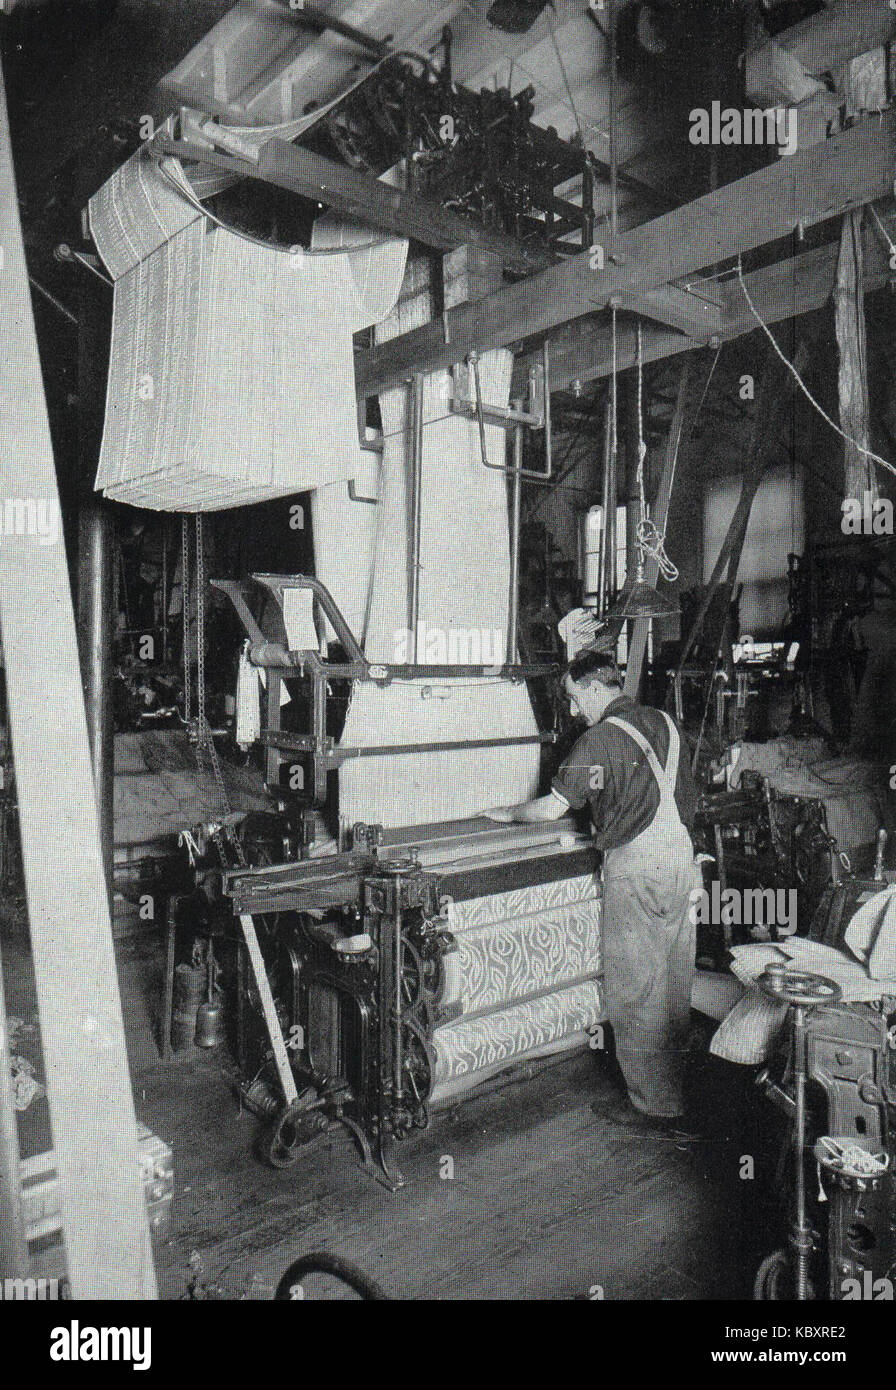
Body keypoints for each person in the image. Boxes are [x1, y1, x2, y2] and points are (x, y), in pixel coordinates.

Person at [485, 647, 700, 1135]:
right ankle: (678, 1088)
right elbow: (687, 798)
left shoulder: (600, 739)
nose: (574, 709)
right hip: (680, 861)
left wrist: (506, 813)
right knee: (671, 983)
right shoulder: (666, 723)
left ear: (596, 687)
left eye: (574, 697)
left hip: (637, 868)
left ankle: (652, 1105)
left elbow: (551, 809)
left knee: (634, 987)